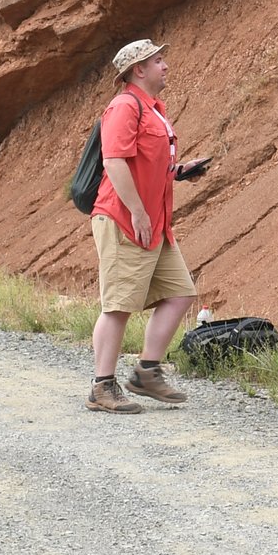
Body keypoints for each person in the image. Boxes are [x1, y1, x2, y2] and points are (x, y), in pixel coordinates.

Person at [86, 39, 214, 414]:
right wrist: (138, 212)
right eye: (158, 60)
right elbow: (114, 162)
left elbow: (147, 162)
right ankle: (102, 388)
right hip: (126, 219)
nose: (166, 65)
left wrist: (177, 172)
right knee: (119, 305)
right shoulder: (125, 106)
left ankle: (146, 372)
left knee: (180, 293)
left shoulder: (152, 109)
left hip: (153, 223)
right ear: (138, 70)